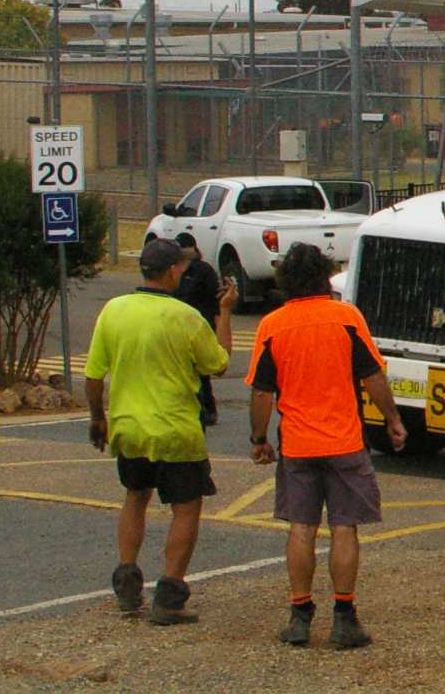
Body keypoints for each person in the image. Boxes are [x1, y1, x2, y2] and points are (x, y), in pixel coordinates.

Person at [247, 242, 404, 651]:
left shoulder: (272, 325)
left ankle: (300, 616)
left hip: (298, 443)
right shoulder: (346, 318)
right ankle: (344, 616)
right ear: (325, 274)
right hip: (344, 440)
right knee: (343, 527)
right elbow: (373, 377)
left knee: (301, 527)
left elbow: (262, 393)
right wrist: (393, 420)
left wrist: (260, 438)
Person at [88, 239, 233, 625]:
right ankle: (170, 592)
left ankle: (126, 578)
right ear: (172, 271)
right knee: (186, 506)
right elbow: (218, 364)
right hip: (175, 428)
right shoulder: (184, 317)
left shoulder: (114, 310)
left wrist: (97, 418)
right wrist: (224, 313)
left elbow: (93, 374)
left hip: (129, 426)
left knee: (135, 496)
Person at [170, 233, 233, 428]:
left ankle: (208, 408)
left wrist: (218, 318)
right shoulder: (174, 271)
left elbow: (214, 297)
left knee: (203, 370)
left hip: (202, 323)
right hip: (178, 325)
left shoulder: (203, 271)